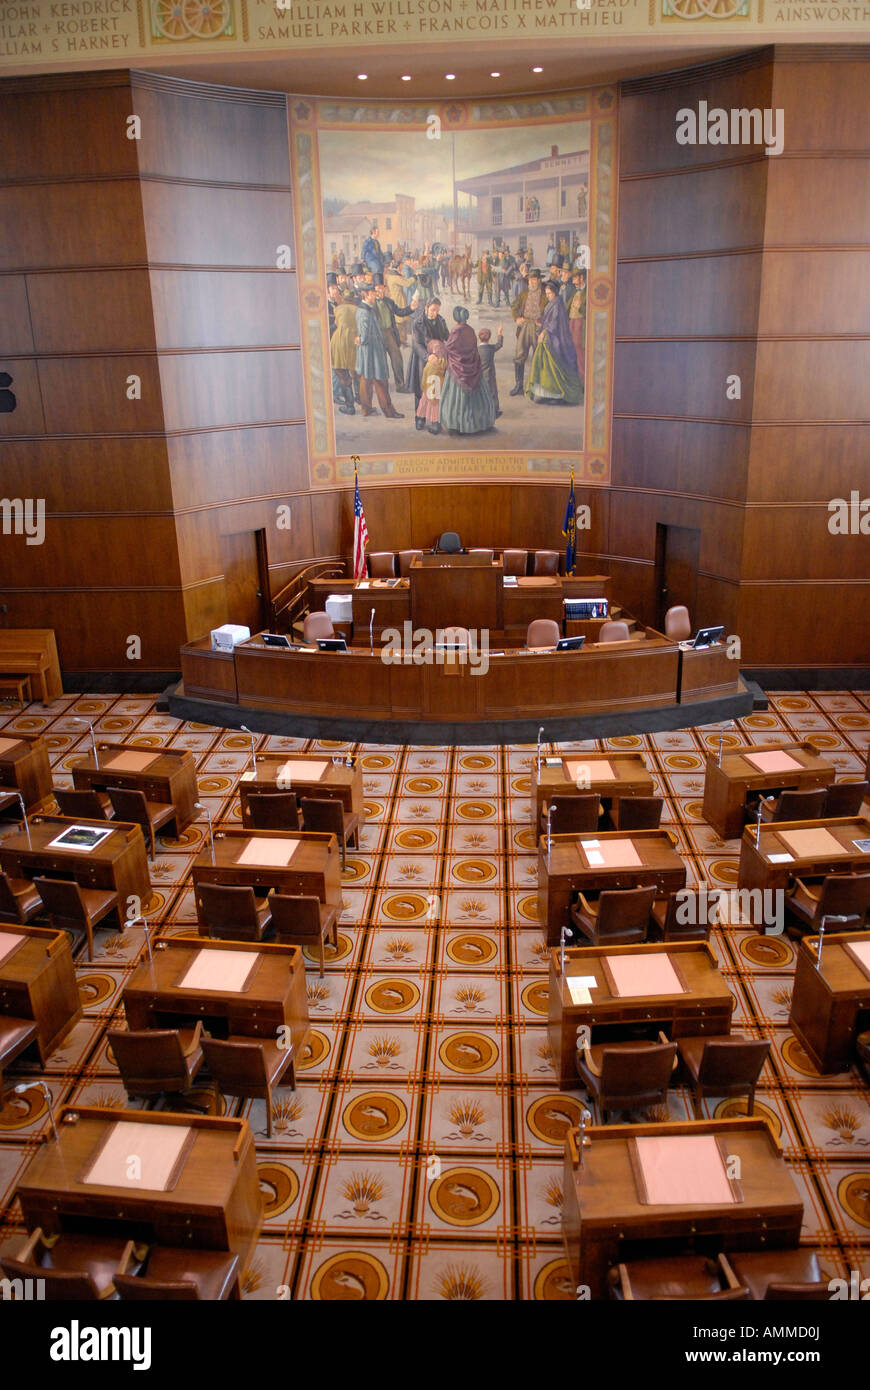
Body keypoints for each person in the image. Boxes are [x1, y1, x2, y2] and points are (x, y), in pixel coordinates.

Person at [440, 305, 496, 435]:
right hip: (472, 367)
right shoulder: (470, 330)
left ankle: (458, 424)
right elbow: (472, 348)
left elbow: (448, 347)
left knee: (455, 398)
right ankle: (477, 423)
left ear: (456, 318)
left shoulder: (455, 331)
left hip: (457, 368)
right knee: (476, 397)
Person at [526, 279, 582, 406]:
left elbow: (554, 324)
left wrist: (544, 332)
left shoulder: (557, 304)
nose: (547, 296)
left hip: (554, 339)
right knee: (544, 365)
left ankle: (556, 394)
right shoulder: (553, 303)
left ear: (555, 293)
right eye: (546, 294)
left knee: (550, 365)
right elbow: (548, 320)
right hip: (549, 336)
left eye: (549, 293)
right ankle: (546, 393)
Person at [354, 285, 404, 419]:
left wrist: (361, 339)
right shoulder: (365, 312)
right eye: (372, 294)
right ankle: (389, 411)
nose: (375, 296)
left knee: (367, 380)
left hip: (368, 352)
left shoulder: (365, 309)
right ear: (365, 295)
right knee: (380, 381)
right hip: (372, 352)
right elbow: (364, 335)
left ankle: (367, 409)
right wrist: (361, 339)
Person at [374, 274, 414, 392]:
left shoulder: (389, 302)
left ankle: (400, 385)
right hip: (378, 335)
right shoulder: (371, 304)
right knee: (380, 362)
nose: (380, 291)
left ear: (385, 289)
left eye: (381, 288)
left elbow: (400, 312)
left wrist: (411, 308)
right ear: (373, 290)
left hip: (390, 333)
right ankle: (381, 387)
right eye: (377, 289)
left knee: (397, 359)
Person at [405, 296, 449, 406]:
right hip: (422, 359)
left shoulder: (441, 321)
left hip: (437, 359)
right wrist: (427, 356)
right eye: (433, 310)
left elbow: (447, 336)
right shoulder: (417, 323)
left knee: (436, 387)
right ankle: (420, 419)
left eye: (437, 310)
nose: (435, 313)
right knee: (421, 389)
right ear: (426, 308)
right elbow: (416, 344)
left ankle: (435, 418)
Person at [510, 266, 544, 397]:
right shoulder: (524, 293)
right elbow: (514, 306)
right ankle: (519, 385)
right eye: (530, 280)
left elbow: (549, 311)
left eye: (534, 279)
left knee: (538, 357)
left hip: (538, 328)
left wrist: (543, 323)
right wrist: (517, 318)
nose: (532, 282)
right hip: (524, 326)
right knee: (519, 355)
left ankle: (537, 387)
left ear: (539, 280)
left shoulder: (545, 294)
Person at [330, 282, 359, 416]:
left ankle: (349, 405)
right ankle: (357, 400)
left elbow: (336, 323)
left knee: (341, 373)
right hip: (352, 342)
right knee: (354, 372)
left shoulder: (338, 309)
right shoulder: (358, 310)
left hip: (339, 342)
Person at [416, 339, 446, 435]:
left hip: (437, 386)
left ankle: (435, 424)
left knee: (435, 405)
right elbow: (425, 373)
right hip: (429, 386)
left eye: (440, 347)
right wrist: (424, 385)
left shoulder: (443, 360)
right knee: (423, 403)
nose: (439, 349)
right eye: (436, 348)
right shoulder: (431, 361)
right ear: (431, 350)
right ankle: (420, 419)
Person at [477, 325, 503, 418]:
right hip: (490, 375)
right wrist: (500, 334)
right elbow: (499, 344)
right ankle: (495, 410)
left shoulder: (476, 350)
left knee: (481, 393)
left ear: (479, 338)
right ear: (489, 338)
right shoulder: (491, 348)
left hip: (480, 375)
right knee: (493, 393)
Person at [568, 269, 587, 391]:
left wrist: (580, 307)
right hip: (572, 323)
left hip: (580, 325)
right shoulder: (575, 291)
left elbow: (590, 310)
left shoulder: (587, 292)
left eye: (575, 278)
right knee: (572, 352)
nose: (573, 281)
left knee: (580, 354)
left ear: (581, 278)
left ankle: (583, 383)